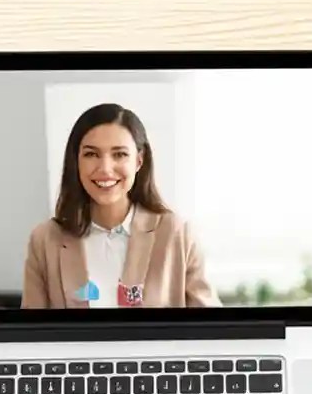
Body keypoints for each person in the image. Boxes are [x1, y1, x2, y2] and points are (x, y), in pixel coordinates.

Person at [21, 103, 220, 308]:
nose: (105, 169)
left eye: (120, 154)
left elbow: (213, 331)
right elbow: (30, 336)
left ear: (139, 161)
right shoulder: (44, 240)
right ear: (76, 161)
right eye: (91, 154)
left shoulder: (177, 234)